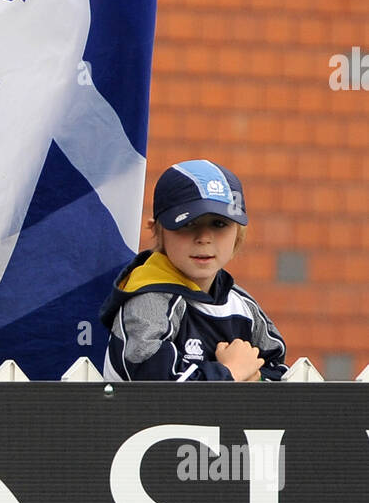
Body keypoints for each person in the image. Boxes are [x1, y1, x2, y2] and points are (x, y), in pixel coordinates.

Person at [100, 160, 287, 382]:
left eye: (219, 224)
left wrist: (254, 376)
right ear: (156, 230)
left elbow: (279, 373)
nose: (204, 238)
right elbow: (154, 385)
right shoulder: (148, 300)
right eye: (188, 224)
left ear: (239, 233)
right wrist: (231, 373)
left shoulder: (243, 307)